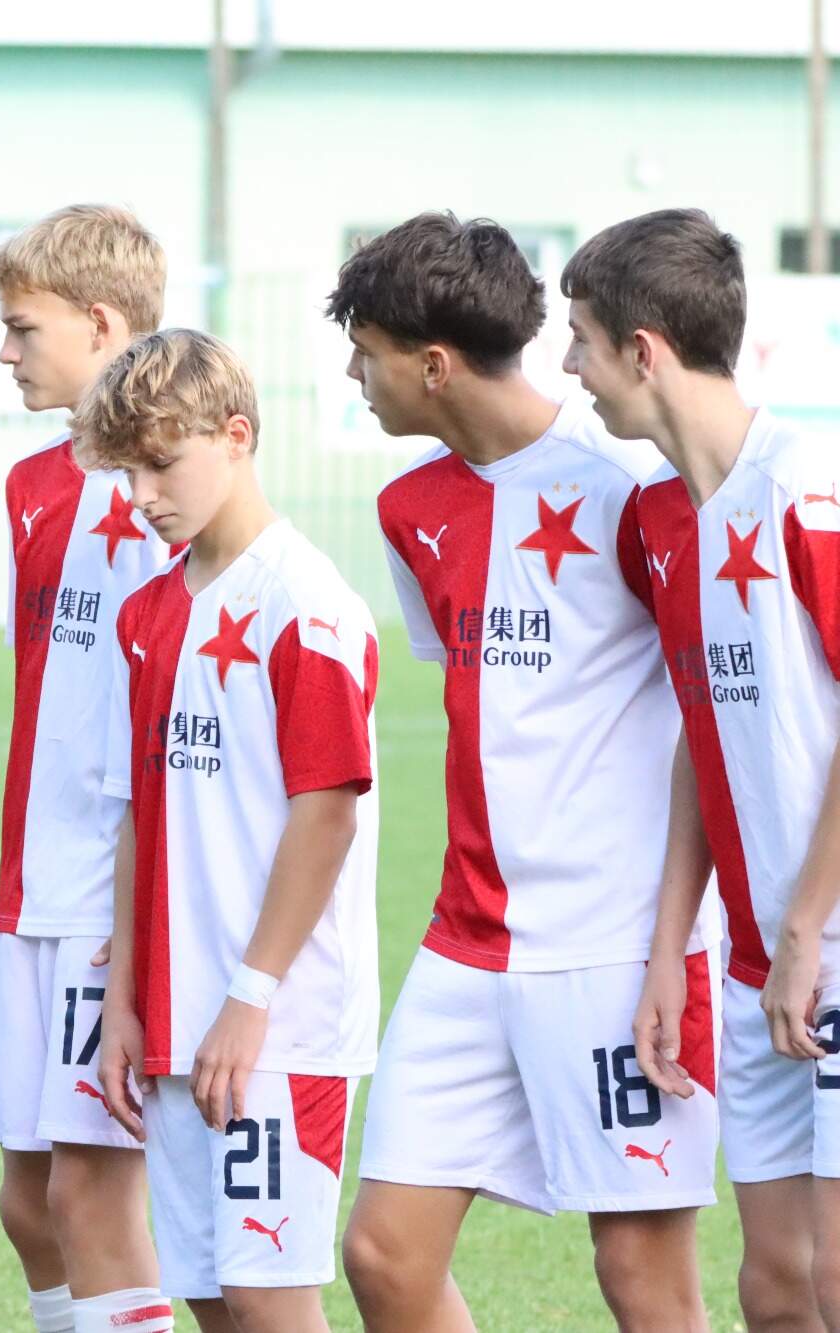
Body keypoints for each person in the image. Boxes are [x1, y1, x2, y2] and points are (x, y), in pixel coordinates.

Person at [328, 212, 719, 1332]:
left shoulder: (630, 495)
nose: (357, 377)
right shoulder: (406, 510)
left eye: (366, 353)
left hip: (611, 945)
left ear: (432, 364)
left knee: (642, 1279)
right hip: (464, 940)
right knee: (383, 1256)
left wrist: (670, 943)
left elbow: (701, 710)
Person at [565, 206, 840, 1332]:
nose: (567, 370)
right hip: (747, 961)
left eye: (577, 340)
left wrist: (802, 933)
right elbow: (702, 727)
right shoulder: (659, 522)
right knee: (773, 1288)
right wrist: (671, 948)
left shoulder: (805, 485)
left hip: (817, 946)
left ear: (643, 349)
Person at [88, 329, 379, 1333]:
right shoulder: (146, 613)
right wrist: (122, 999)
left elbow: (326, 809)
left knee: (266, 1294)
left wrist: (249, 997)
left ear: (236, 435)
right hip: (176, 1016)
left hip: (277, 1021)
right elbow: (139, 812)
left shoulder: (305, 605)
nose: (139, 493)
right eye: (125, 470)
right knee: (213, 1298)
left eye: (159, 462)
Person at [0, 203, 171, 1333]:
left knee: (91, 1193)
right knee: (26, 1201)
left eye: (21, 329)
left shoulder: (167, 484)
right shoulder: (29, 484)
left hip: (110, 889)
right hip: (27, 882)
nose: (5, 355)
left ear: (99, 324)